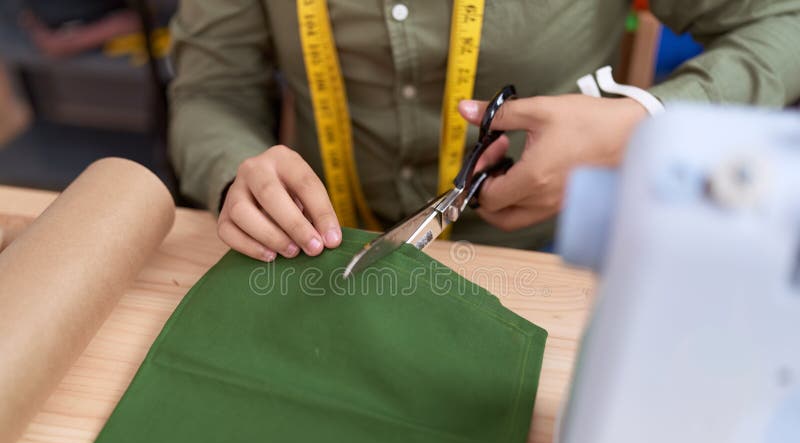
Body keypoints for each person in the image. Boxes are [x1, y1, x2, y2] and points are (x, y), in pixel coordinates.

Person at [168, 1, 800, 263]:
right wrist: (234, 172)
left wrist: (644, 124)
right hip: (317, 255)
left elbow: (783, 19)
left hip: (557, 262)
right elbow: (211, 89)